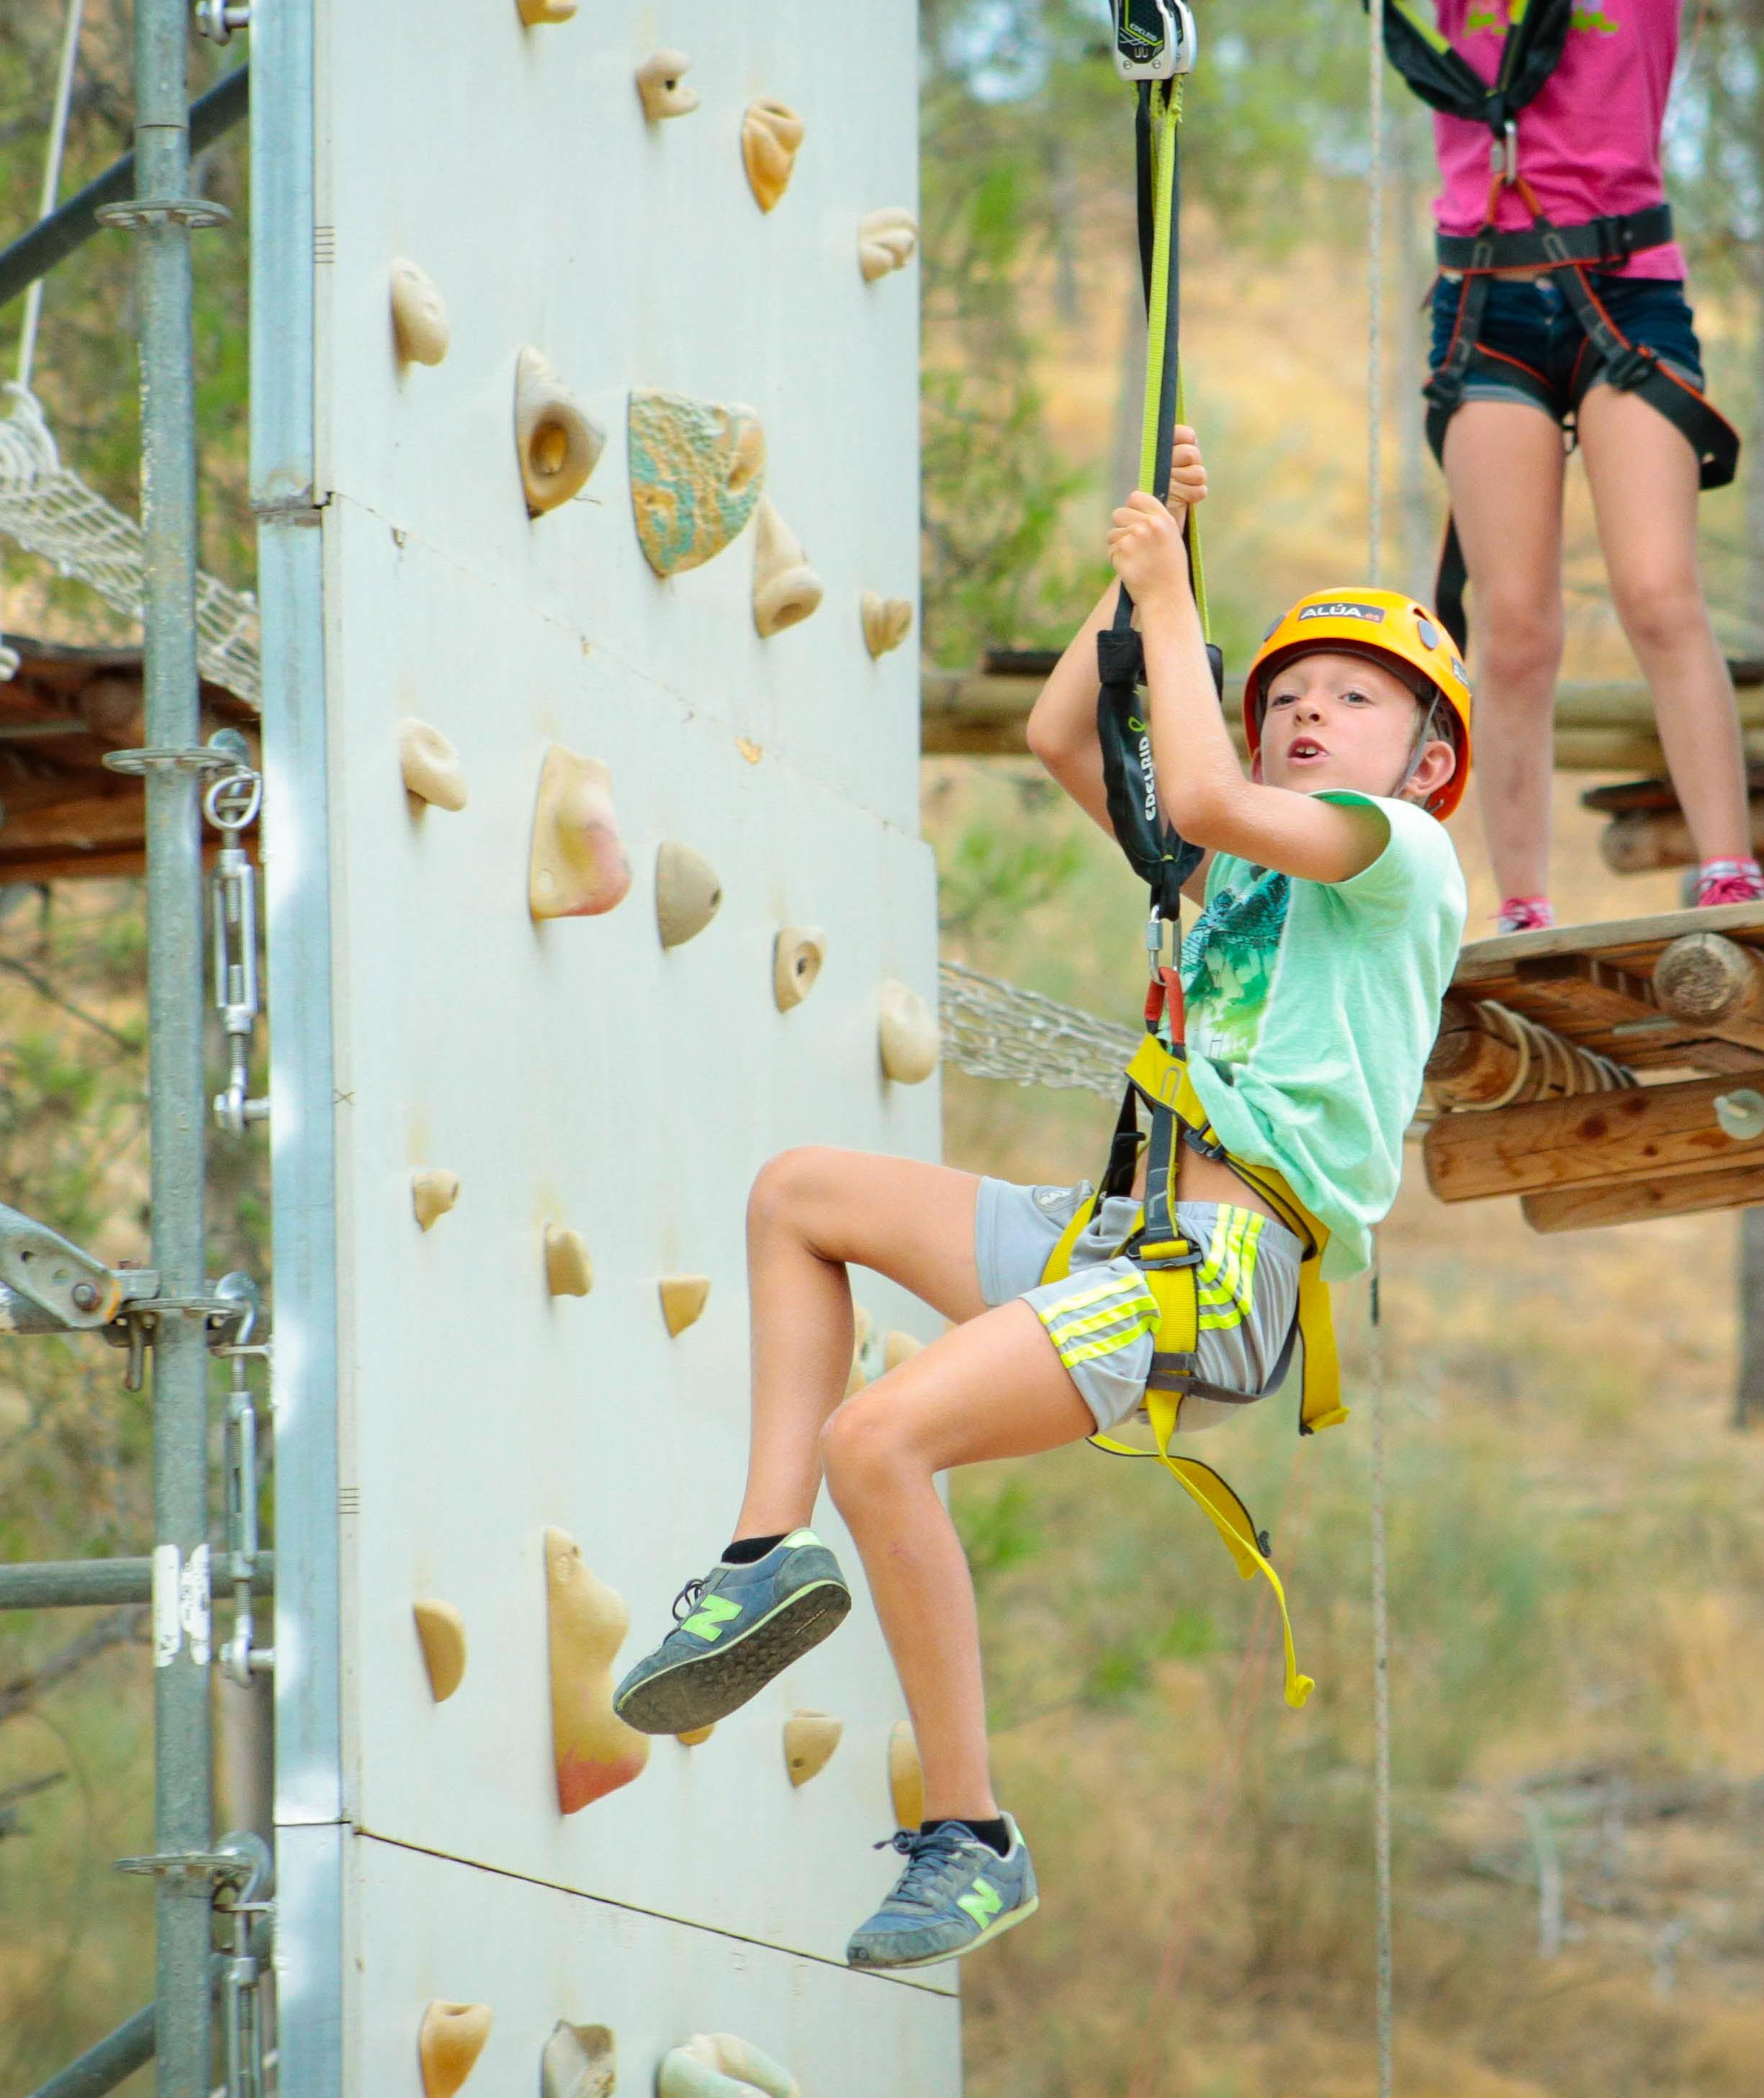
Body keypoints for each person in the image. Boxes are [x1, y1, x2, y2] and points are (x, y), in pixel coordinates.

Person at [607, 431, 1470, 1971]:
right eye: (1284, 699)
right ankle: (756, 1560)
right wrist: (1139, 577)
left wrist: (1174, 590)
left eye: (1350, 700)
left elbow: (1198, 786)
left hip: (1215, 1273)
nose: (1304, 716)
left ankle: (975, 1835)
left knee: (880, 1439)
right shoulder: (1248, 886)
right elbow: (1069, 734)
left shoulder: (1399, 858)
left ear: (1427, 761)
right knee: (801, 1196)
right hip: (1122, 1235)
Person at [1390, 0, 1760, 932]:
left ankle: (1729, 865)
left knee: (1656, 589)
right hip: (1486, 301)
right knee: (1512, 625)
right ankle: (1523, 903)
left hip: (1626, 291)